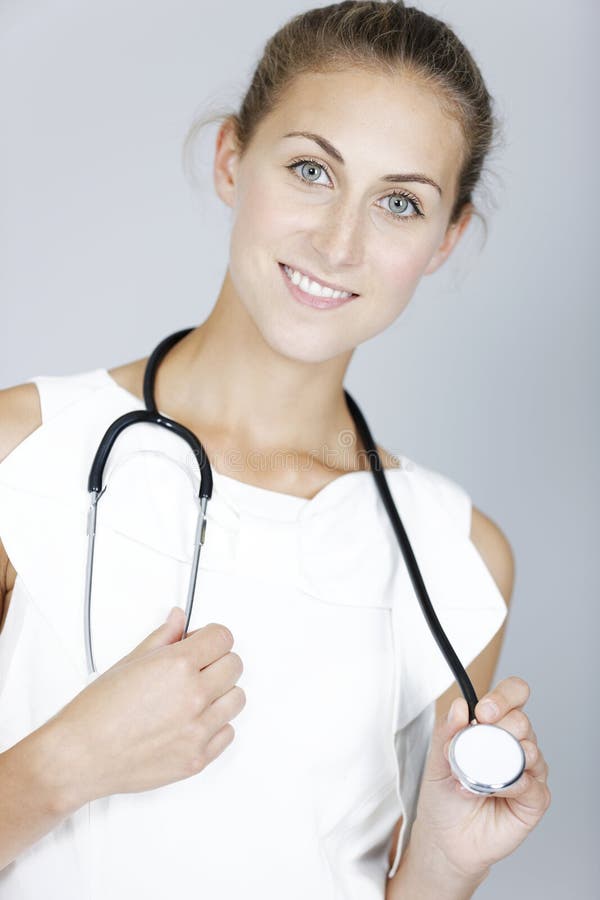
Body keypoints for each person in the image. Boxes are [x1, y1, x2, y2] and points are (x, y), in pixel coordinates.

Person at [0, 2, 551, 897]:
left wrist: (445, 861)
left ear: (445, 239)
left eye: (400, 203)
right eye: (310, 171)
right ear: (231, 159)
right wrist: (68, 763)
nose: (339, 243)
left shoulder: (459, 559)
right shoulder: (19, 457)